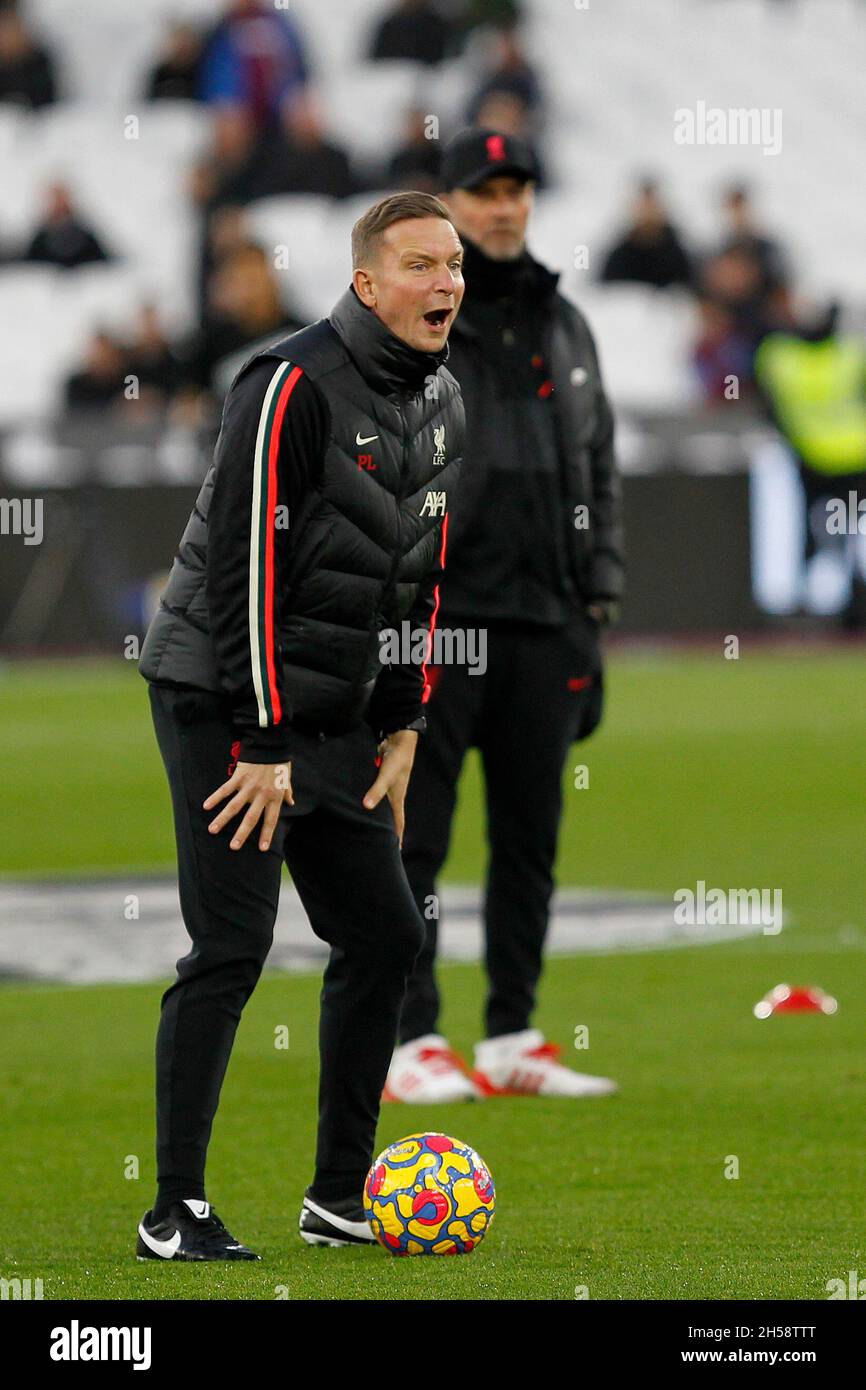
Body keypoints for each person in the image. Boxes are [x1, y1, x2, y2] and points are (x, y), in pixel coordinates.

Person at [136, 192, 465, 1259]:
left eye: (451, 266)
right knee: (231, 942)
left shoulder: (444, 399)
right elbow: (245, 571)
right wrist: (263, 740)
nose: (444, 284)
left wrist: (406, 717)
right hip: (219, 694)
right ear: (366, 282)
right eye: (419, 265)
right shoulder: (286, 384)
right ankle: (173, 1209)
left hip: (325, 705)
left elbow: (416, 575)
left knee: (383, 931)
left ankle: (335, 1196)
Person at [385, 129, 624, 1103]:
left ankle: (512, 1033)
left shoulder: (563, 320)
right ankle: (412, 1038)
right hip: (441, 617)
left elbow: (597, 458)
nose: (501, 206)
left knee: (530, 837)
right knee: (417, 838)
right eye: (483, 191)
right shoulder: (422, 310)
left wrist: (595, 587)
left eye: (515, 188)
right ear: (450, 203)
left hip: (542, 616)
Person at [600, 179, 692, 290]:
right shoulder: (618, 257)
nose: (648, 213)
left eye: (653, 206)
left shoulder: (679, 256)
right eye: (643, 206)